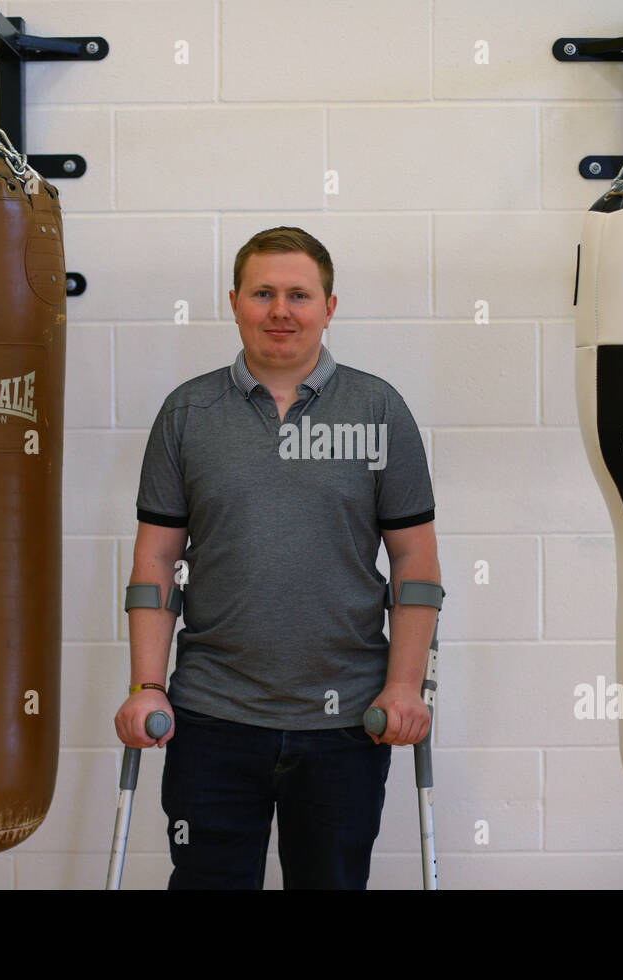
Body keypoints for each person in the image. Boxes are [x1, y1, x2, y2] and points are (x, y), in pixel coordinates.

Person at [114, 226, 441, 890]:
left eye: (299, 294)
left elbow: (416, 565)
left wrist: (404, 686)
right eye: (263, 293)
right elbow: (155, 567)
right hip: (211, 719)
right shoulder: (188, 413)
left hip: (346, 722)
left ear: (330, 306)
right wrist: (147, 686)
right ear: (234, 301)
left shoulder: (378, 410)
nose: (280, 311)